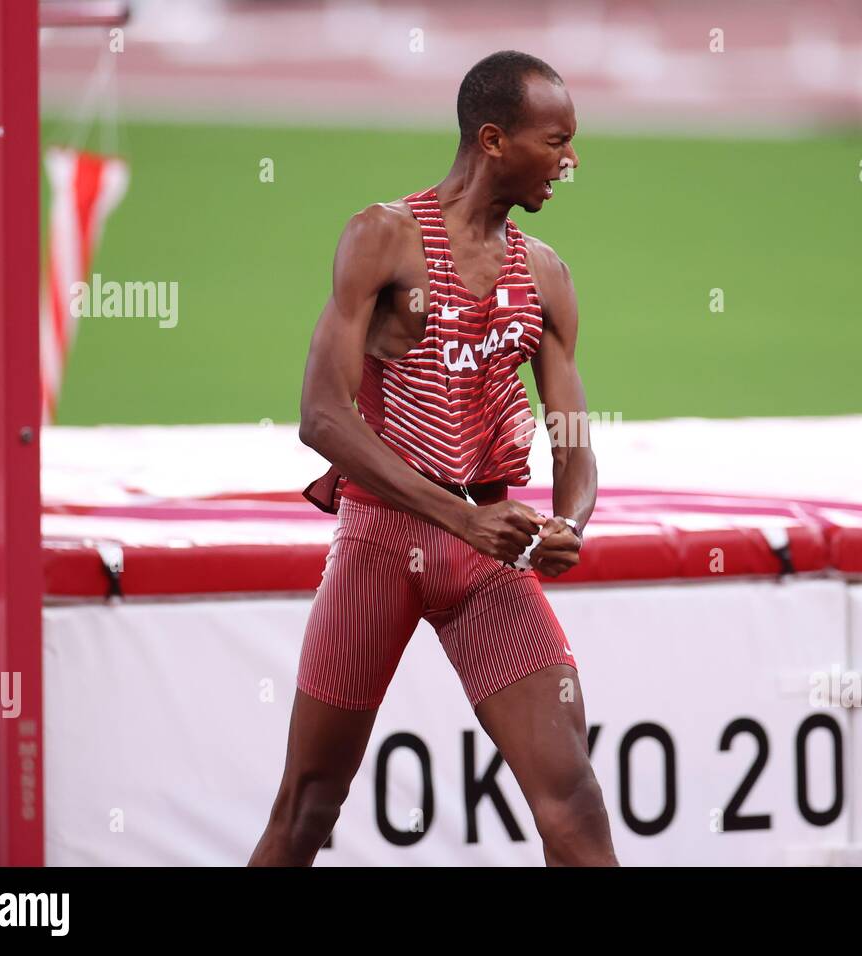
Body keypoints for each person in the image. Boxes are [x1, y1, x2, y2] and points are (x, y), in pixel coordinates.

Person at [249, 51, 617, 867]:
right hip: (383, 543)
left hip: (490, 555)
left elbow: (574, 443)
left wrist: (570, 521)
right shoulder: (384, 238)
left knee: (576, 804)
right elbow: (321, 417)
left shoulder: (547, 276)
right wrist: (462, 517)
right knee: (309, 805)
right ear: (493, 139)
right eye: (556, 142)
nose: (571, 161)